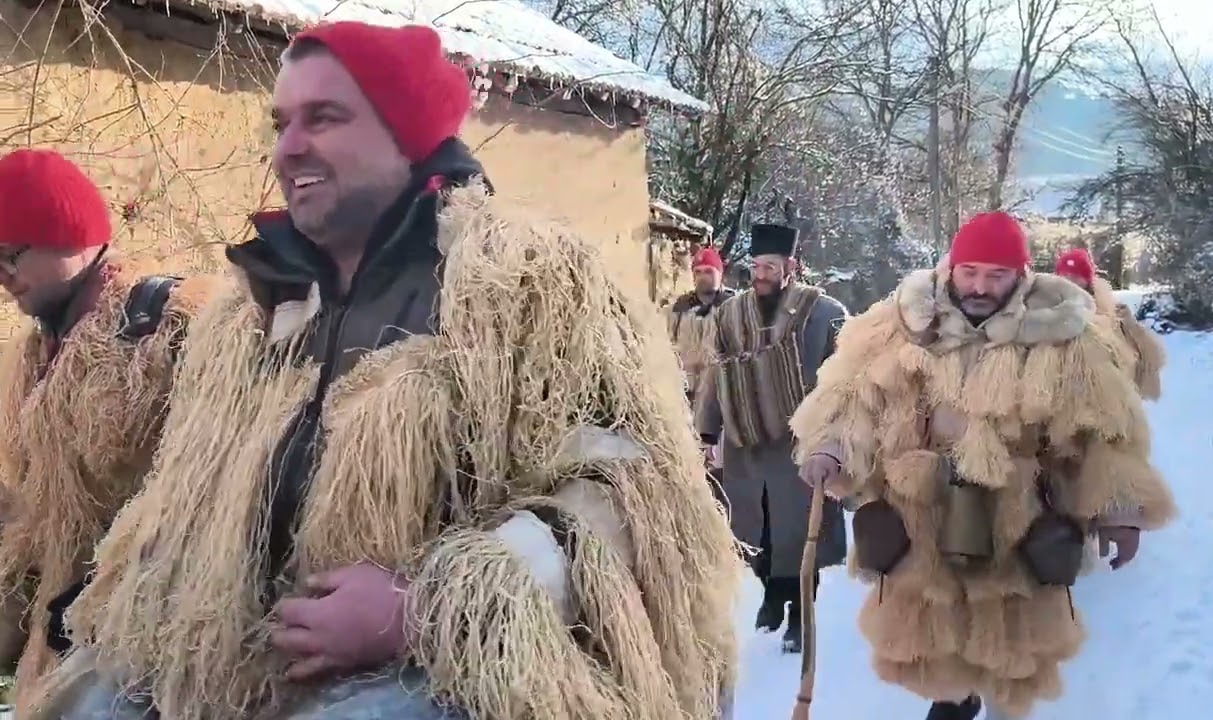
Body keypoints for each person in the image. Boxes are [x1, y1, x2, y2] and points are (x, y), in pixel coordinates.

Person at [34, 21, 738, 720]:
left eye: (324, 118)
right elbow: (182, 507)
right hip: (244, 685)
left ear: (405, 132)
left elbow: (627, 490)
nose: (288, 147)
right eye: (281, 123)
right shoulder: (249, 314)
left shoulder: (523, 282)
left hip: (459, 675)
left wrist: (424, 607)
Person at [792, 211, 1176, 719]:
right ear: (952, 266)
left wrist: (1120, 509)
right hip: (922, 517)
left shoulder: (1065, 335)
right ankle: (952, 703)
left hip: (1019, 522)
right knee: (939, 642)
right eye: (970, 271)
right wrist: (830, 448)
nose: (979, 286)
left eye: (996, 275)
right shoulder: (901, 324)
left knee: (1010, 654)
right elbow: (850, 396)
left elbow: (1107, 431)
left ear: (1021, 274)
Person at [0, 148, 213, 713]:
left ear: (67, 232)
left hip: (157, 665)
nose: (2, 276)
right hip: (57, 672)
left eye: (9, 254)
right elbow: (32, 547)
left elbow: (222, 509)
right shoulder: (30, 364)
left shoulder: (172, 327)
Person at [695, 222, 848, 654]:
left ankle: (800, 615)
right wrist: (707, 430)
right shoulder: (729, 315)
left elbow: (846, 381)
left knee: (800, 535)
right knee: (755, 532)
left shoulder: (825, 313)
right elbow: (715, 373)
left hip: (800, 444)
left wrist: (838, 439)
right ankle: (772, 595)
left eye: (771, 267)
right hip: (745, 442)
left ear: (791, 267)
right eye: (757, 266)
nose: (761, 275)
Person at [1055, 247, 1166, 400]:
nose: (1070, 282)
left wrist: (1131, 326)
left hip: (1108, 399)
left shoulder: (1112, 312)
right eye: (1064, 276)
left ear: (1087, 280)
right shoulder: (1047, 311)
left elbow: (1149, 357)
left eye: (1075, 276)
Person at [667, 246, 734, 403]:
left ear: (720, 274)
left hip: (720, 397)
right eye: (698, 272)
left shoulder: (734, 309)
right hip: (683, 395)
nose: (702, 277)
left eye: (709, 271)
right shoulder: (678, 308)